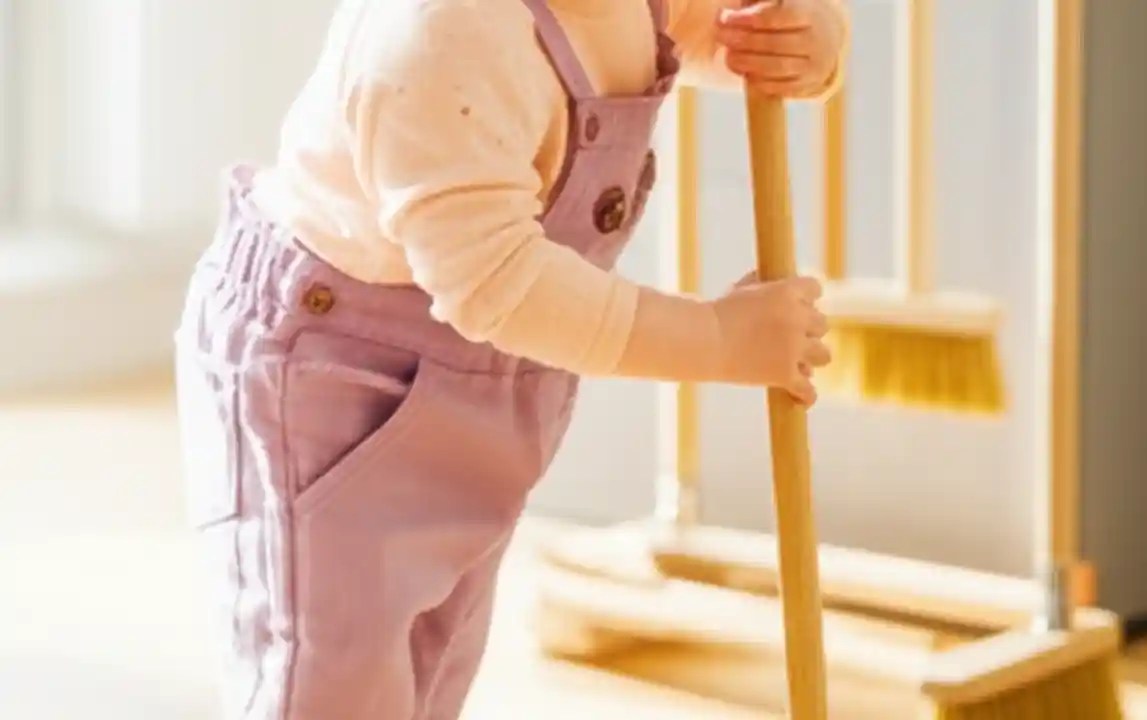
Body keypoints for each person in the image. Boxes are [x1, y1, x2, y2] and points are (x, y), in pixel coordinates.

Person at [174, 0, 847, 717]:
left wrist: (802, 44)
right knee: (332, 677)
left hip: (480, 376)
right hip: (330, 390)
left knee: (433, 666)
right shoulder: (440, 32)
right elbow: (497, 281)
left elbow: (716, 26)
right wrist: (713, 339)